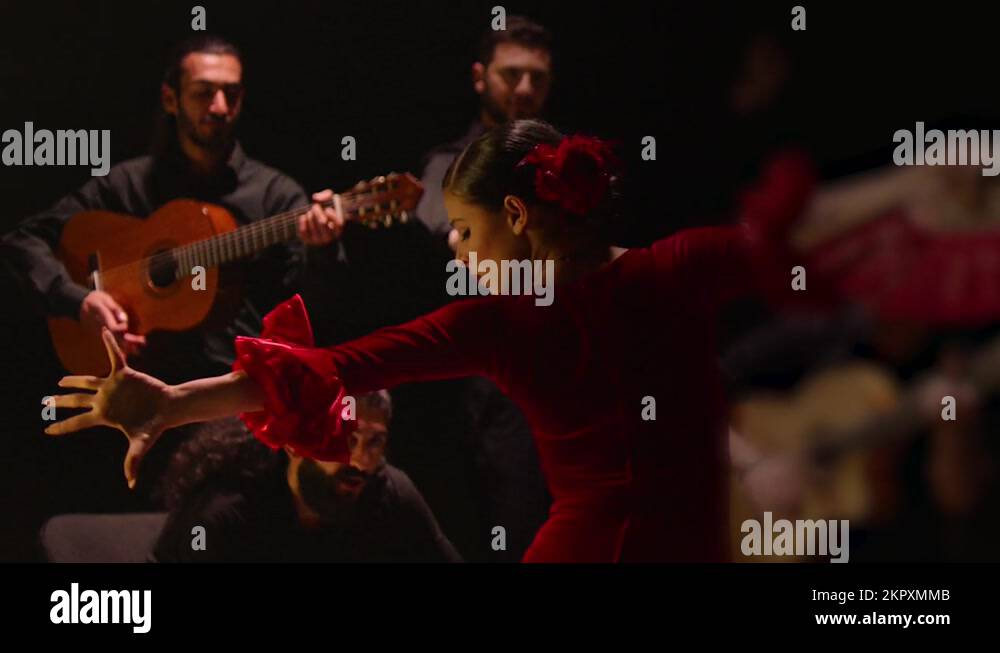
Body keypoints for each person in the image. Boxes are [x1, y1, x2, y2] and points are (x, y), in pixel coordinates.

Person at [44, 119, 816, 562]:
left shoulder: (665, 271)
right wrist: (173, 401)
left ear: (518, 218)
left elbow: (818, 242)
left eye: (467, 229)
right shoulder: (497, 322)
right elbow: (328, 370)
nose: (454, 248)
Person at [1, 34, 340, 385]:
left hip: (230, 395)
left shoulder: (275, 196)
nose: (221, 106)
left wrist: (323, 249)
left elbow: (316, 313)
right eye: (203, 92)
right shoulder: (127, 185)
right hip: (132, 389)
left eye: (232, 93)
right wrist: (81, 302)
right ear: (170, 99)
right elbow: (21, 242)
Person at [41, 393, 461, 563]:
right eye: (345, 439)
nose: (362, 461)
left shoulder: (388, 492)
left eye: (375, 442)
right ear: (297, 441)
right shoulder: (225, 514)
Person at [416, 16, 552, 241]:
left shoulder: (561, 157)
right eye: (511, 74)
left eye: (537, 78)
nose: (526, 89)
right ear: (479, 77)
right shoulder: (449, 160)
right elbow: (440, 215)